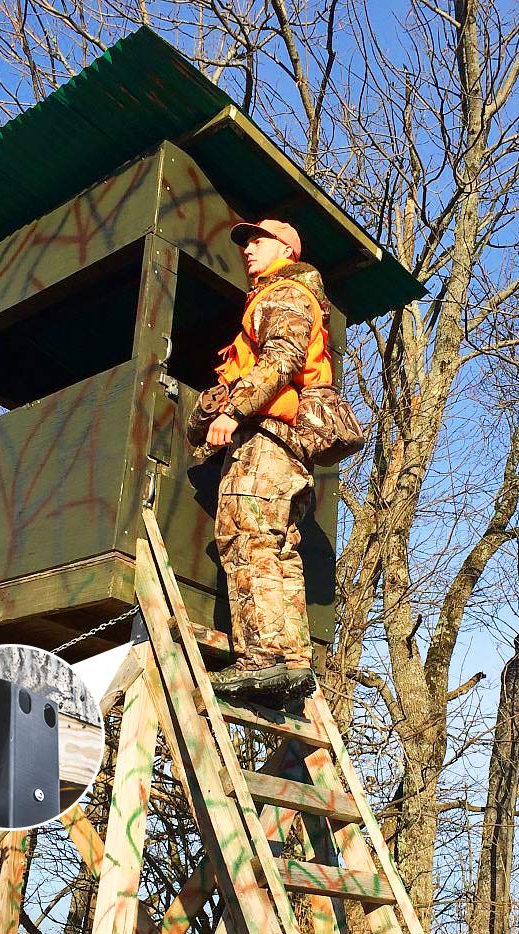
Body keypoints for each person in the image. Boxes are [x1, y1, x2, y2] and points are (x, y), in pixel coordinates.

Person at [200, 219, 333, 701]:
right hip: (288, 448)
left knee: (247, 537)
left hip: (266, 440)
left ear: (287, 250)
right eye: (245, 242)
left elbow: (282, 359)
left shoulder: (284, 294)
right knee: (279, 549)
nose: (248, 249)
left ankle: (261, 657)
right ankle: (292, 662)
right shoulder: (287, 296)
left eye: (258, 240)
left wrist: (233, 412)